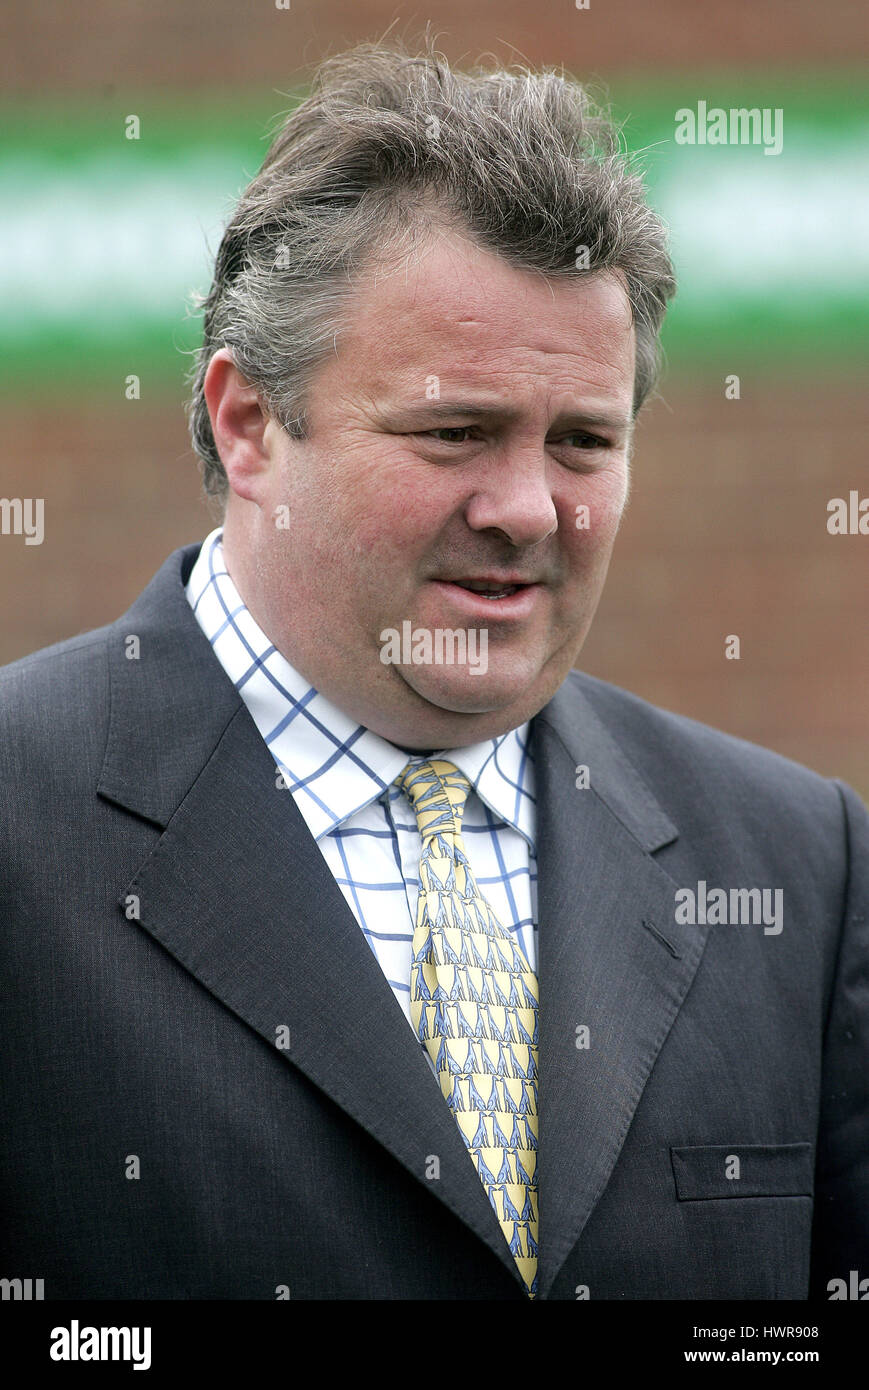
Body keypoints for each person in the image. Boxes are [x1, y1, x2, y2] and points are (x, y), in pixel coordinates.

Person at [1, 39, 866, 1302]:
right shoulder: (22, 826)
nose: (526, 508)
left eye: (581, 441)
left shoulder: (794, 864)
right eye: (452, 431)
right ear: (248, 423)